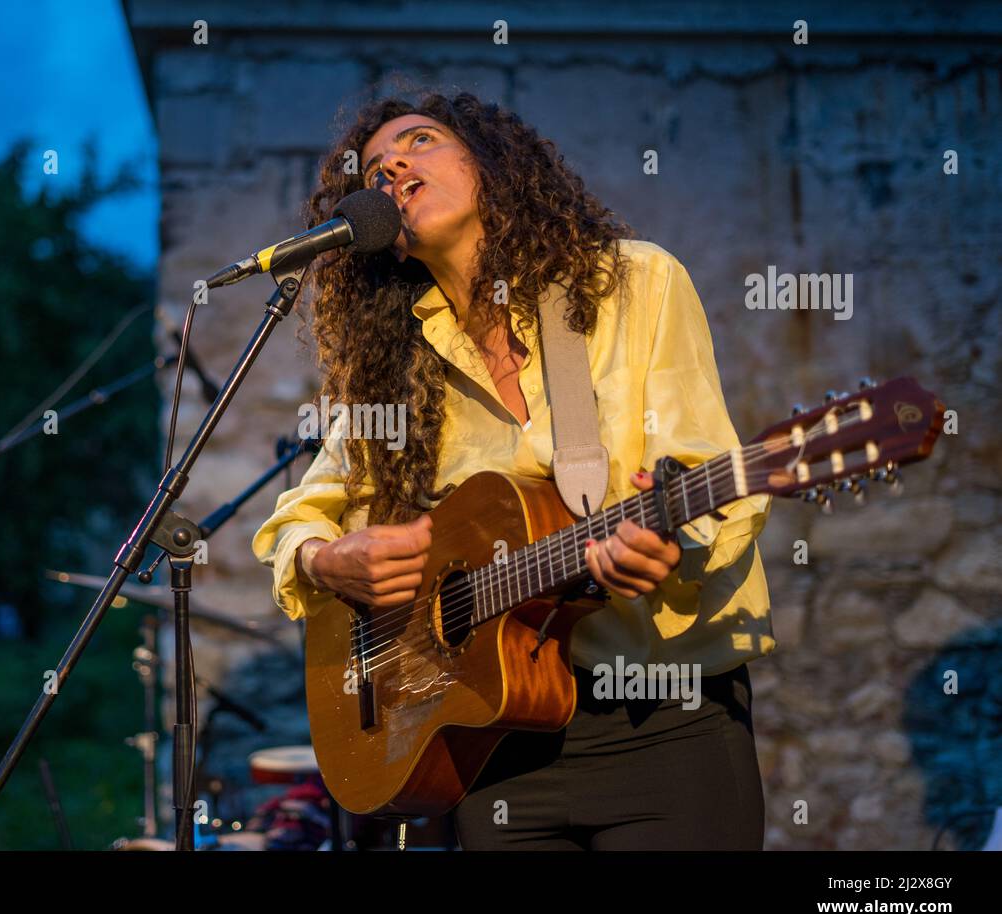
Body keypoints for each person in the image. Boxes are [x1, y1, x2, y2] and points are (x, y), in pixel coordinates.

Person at [251, 92, 773, 850]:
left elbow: (705, 479)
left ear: (491, 165)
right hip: (493, 744)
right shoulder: (388, 369)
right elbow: (300, 517)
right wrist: (327, 559)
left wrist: (672, 548)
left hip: (662, 724)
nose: (393, 164)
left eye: (421, 141)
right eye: (372, 168)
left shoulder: (634, 285)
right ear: (387, 240)